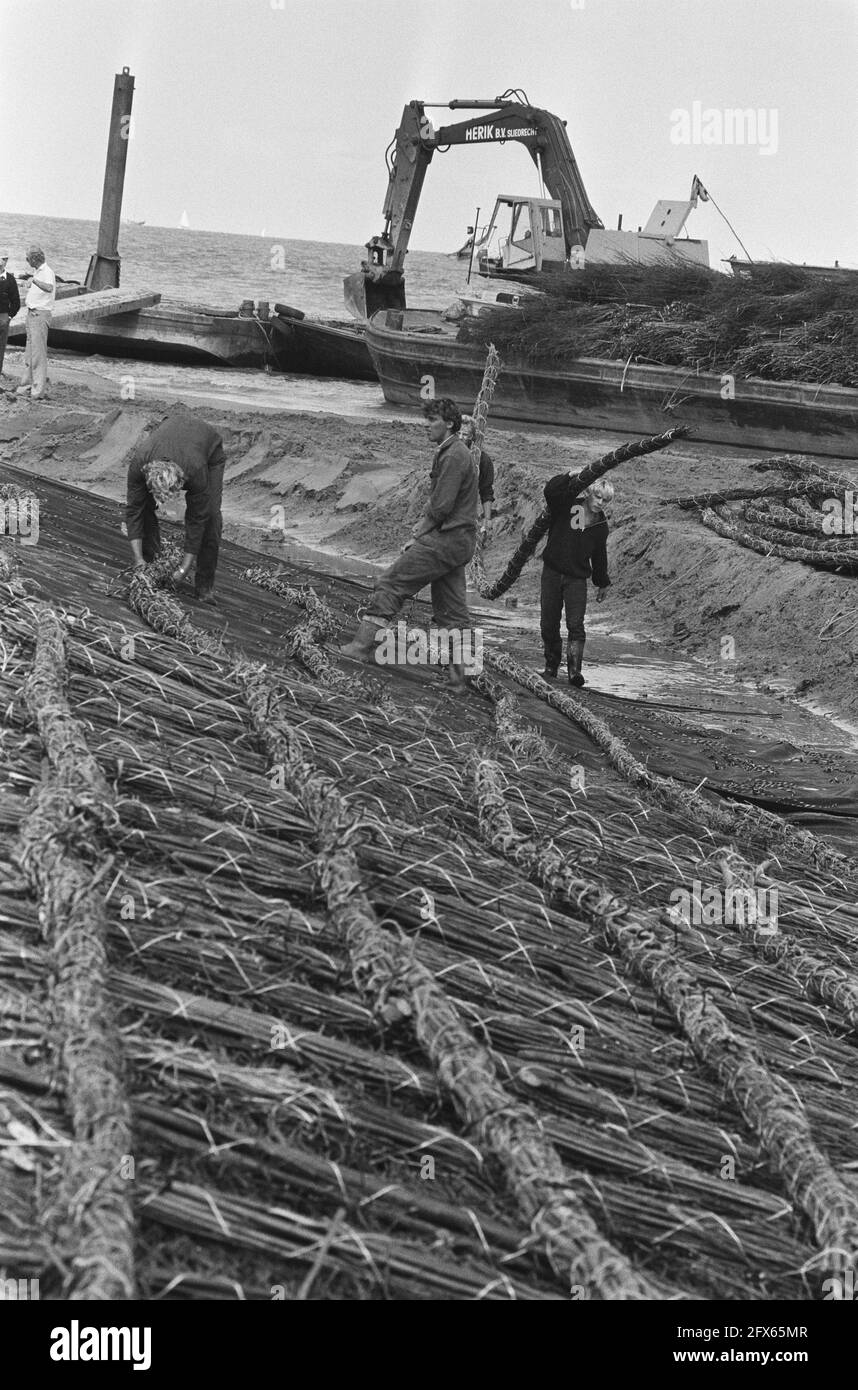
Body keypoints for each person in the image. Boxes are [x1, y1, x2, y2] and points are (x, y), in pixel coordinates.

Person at [341, 397, 478, 686]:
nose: (425, 427)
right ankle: (459, 680)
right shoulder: (453, 451)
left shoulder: (453, 455)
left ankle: (361, 648)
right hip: (459, 542)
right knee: (453, 613)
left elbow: (440, 507)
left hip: (446, 539)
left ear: (449, 423)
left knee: (392, 583)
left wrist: (417, 536)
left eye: (432, 421)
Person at [125, 408, 227, 602]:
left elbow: (197, 519)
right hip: (171, 431)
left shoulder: (195, 471)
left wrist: (183, 568)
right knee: (143, 505)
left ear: (181, 482)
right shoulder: (140, 462)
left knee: (211, 516)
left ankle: (204, 587)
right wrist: (136, 558)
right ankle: (150, 560)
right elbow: (134, 509)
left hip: (209, 449)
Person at [539, 474, 613, 686]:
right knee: (549, 622)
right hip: (553, 572)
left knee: (575, 624)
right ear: (589, 494)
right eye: (597, 497)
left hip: (576, 579)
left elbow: (599, 555)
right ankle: (551, 665)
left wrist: (602, 582)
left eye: (605, 500)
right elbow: (550, 492)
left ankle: (574, 671)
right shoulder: (571, 508)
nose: (600, 503)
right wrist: (569, 475)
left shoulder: (600, 525)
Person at [16, 246, 56, 400]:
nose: (27, 261)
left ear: (35, 258)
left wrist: (35, 281)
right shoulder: (38, 272)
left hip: (40, 315)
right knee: (29, 353)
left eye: (28, 258)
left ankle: (37, 391)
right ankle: (26, 385)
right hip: (32, 314)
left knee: (38, 354)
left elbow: (49, 287)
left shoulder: (47, 272)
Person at [460, 414, 495, 541]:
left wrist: (487, 519)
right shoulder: (446, 454)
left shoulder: (482, 461)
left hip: (466, 512)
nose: (460, 437)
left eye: (464, 435)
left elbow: (486, 491)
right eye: (457, 433)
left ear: (472, 437)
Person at [0, 252, 21, 379]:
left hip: (3, 317)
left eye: (3, 260)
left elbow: (16, 302)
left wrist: (8, 317)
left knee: (1, 347)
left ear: (5, 262)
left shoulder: (10, 280)